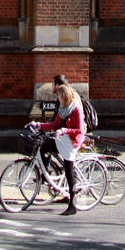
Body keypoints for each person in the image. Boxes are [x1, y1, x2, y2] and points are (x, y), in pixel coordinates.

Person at [41, 75, 86, 216]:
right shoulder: (63, 108)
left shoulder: (76, 108)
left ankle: (73, 205)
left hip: (73, 140)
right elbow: (54, 124)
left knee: (68, 169)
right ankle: (45, 173)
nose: (58, 99)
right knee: (45, 146)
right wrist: (38, 125)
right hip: (64, 138)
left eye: (60, 97)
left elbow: (79, 129)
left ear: (65, 96)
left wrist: (64, 130)